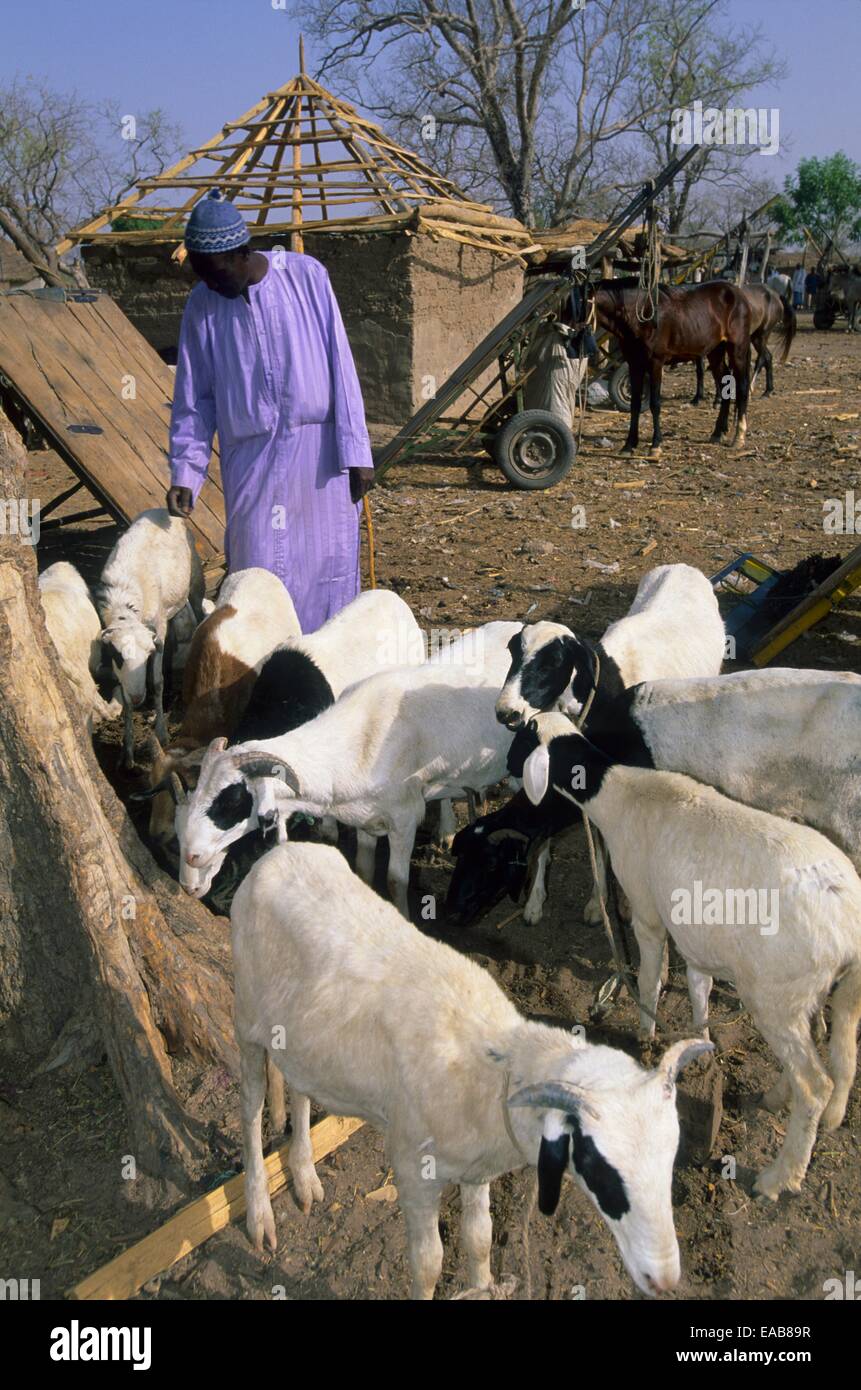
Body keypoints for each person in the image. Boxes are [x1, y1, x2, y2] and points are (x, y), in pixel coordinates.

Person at [166, 190, 375, 634]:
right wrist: (186, 472)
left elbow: (342, 363)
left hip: (321, 457)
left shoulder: (306, 277)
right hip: (251, 460)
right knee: (257, 570)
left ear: (243, 253)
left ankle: (327, 675)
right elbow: (195, 397)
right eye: (202, 276)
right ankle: (264, 678)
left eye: (217, 274)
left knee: (329, 569)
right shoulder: (202, 304)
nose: (211, 285)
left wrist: (357, 452)